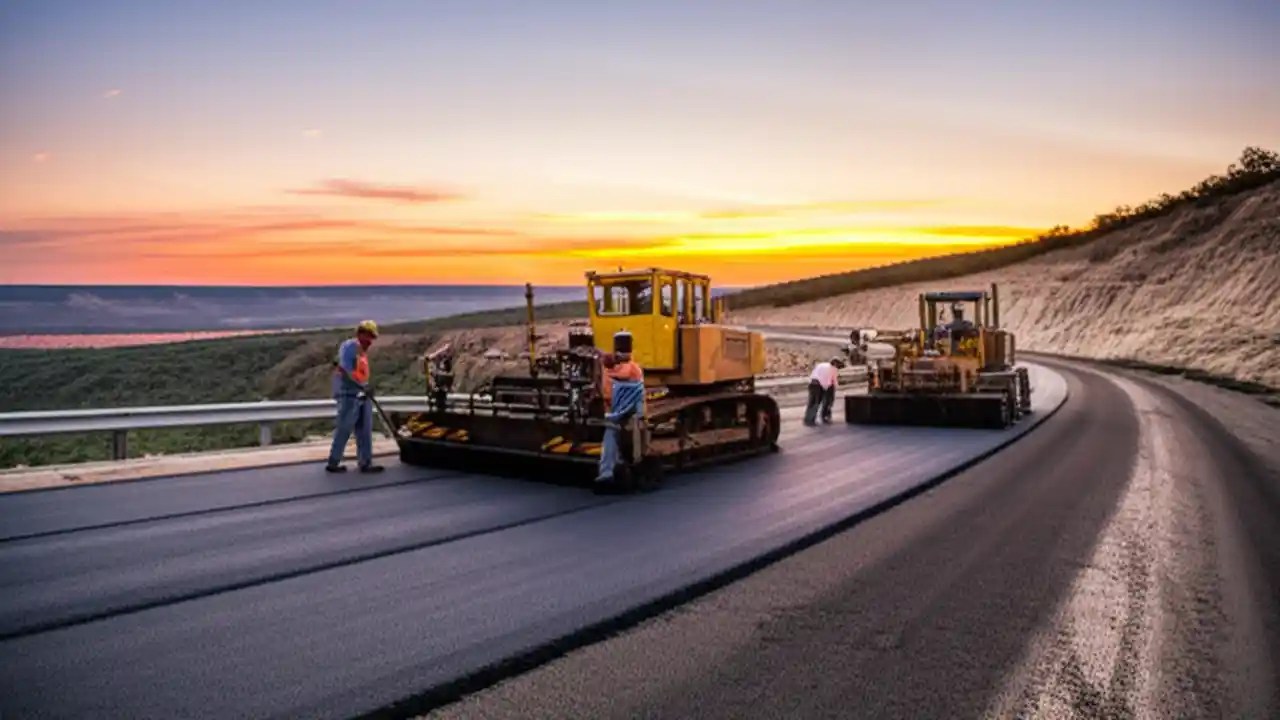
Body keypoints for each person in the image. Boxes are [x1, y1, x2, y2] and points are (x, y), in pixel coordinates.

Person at [326, 320, 385, 474]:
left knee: (365, 429)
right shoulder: (350, 347)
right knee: (344, 428)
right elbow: (345, 371)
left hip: (361, 394)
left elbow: (360, 374)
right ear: (360, 333)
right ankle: (333, 462)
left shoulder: (362, 352)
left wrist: (365, 386)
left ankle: (365, 462)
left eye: (373, 337)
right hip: (348, 394)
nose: (370, 341)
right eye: (369, 336)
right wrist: (362, 386)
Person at [595, 333, 645, 491]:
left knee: (611, 436)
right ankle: (620, 468)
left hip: (619, 412)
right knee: (620, 439)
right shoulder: (632, 369)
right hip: (626, 411)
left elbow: (613, 383)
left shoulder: (618, 370)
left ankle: (607, 474)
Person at [804, 356, 846, 426]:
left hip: (812, 383)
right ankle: (824, 416)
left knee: (812, 402)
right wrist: (831, 389)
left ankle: (809, 419)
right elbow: (829, 382)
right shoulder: (833, 369)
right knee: (825, 401)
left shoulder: (822, 364)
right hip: (819, 384)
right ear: (836, 364)